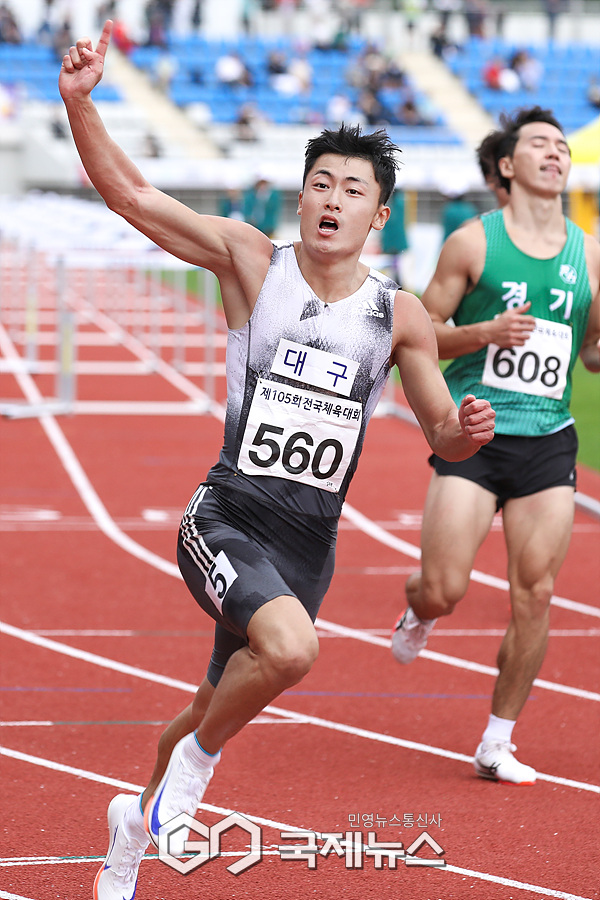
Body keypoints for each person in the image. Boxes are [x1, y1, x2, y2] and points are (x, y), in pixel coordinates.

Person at [59, 20, 496, 899]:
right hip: (224, 515)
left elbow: (439, 433)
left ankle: (129, 834)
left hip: (309, 543)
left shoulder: (398, 315)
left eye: (353, 190)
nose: (331, 199)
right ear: (300, 199)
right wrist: (79, 104)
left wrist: (467, 434)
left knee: (208, 702)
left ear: (381, 214)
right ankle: (193, 772)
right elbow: (135, 200)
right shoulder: (252, 263)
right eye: (319, 184)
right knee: (292, 652)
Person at [391, 106, 600, 785]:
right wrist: (485, 335)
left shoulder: (590, 253)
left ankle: (497, 740)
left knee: (535, 593)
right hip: (475, 432)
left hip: (548, 439)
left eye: (562, 146)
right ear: (508, 166)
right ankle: (419, 606)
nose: (555, 153)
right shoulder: (473, 242)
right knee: (446, 587)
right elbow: (417, 334)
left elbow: (591, 351)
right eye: (539, 143)